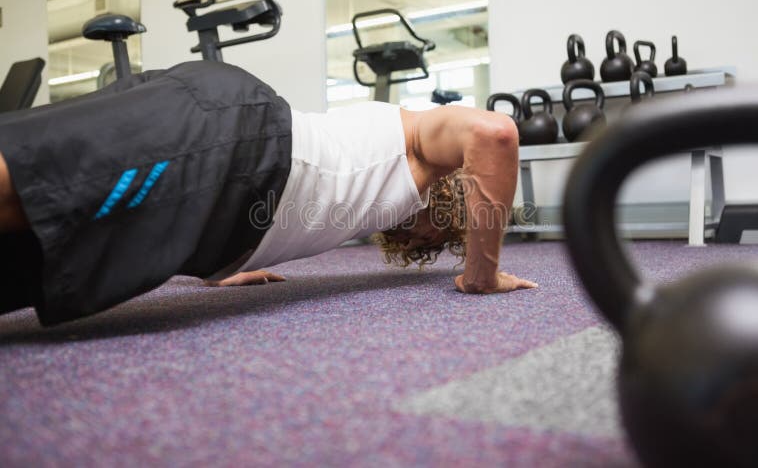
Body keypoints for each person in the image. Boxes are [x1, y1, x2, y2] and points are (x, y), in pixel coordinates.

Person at [0, 61, 536, 326]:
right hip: (235, 138)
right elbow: (495, 134)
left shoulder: (370, 195)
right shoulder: (422, 143)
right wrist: (482, 273)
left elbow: (305, 209)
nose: (426, 240)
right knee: (33, 186)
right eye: (446, 235)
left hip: (227, 192)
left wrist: (228, 262)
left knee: (32, 258)